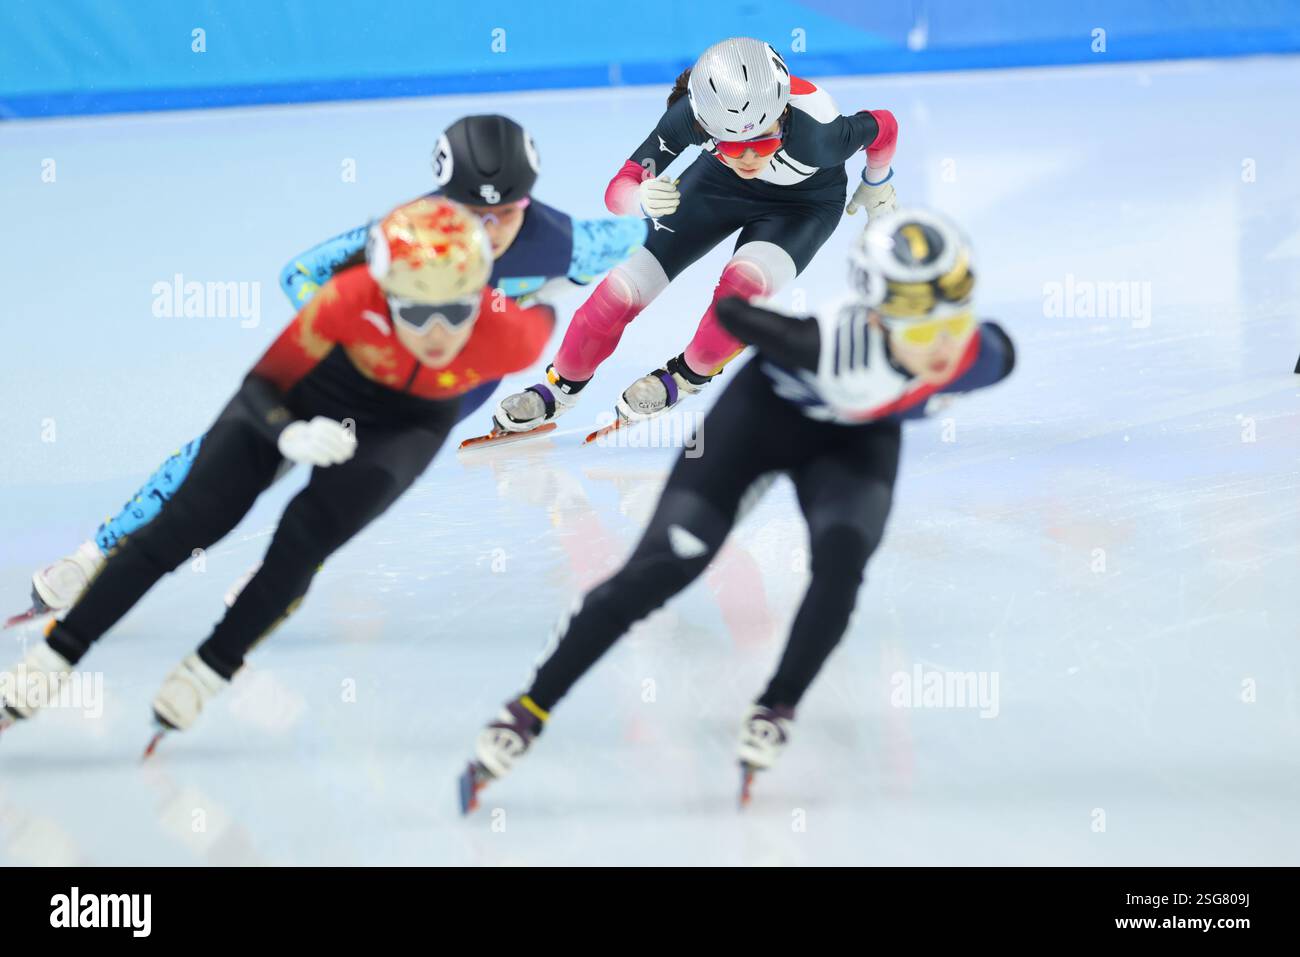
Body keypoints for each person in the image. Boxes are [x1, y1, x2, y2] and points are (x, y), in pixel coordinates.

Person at [459, 208, 1017, 811]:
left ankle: (777, 706)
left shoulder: (986, 355)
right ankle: (528, 710)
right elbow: (732, 315)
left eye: (951, 325)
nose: (939, 348)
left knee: (842, 562)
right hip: (763, 422)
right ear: (879, 320)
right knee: (659, 572)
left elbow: (981, 349)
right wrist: (747, 319)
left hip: (855, 440)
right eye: (917, 330)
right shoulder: (828, 345)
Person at [23, 114, 646, 617]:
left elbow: (635, 235)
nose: (489, 230)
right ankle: (96, 553)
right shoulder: (405, 232)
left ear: (527, 201)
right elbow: (301, 272)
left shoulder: (567, 240)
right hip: (360, 367)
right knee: (227, 450)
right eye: (472, 213)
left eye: (506, 213)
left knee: (352, 490)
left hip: (442, 394)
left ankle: (277, 575)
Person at [0, 198, 556, 743]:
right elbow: (261, 386)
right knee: (184, 525)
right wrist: (286, 432)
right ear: (383, 294)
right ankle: (54, 656)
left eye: (457, 310)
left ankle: (210, 668)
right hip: (307, 391)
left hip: (404, 425)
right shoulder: (346, 299)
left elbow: (553, 302)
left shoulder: (508, 337)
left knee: (304, 541)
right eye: (415, 311)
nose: (438, 333)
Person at [489, 36, 900, 435]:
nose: (750, 157)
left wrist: (877, 182)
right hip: (716, 185)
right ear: (708, 126)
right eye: (732, 145)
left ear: (783, 116)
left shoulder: (820, 135)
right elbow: (619, 188)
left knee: (740, 292)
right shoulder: (691, 115)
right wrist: (640, 199)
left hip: (804, 205)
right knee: (619, 292)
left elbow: (885, 125)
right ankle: (558, 388)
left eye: (764, 140)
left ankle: (683, 378)